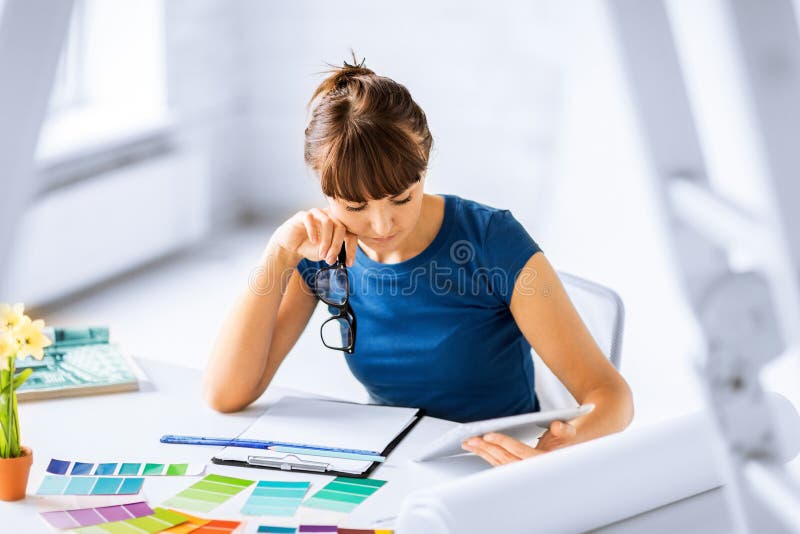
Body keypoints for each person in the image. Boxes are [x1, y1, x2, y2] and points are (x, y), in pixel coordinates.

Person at [204, 56, 633, 467]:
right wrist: (279, 252)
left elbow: (611, 396)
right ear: (323, 187)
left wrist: (563, 445)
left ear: (425, 164)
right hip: (393, 460)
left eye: (401, 197)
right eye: (354, 206)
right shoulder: (320, 254)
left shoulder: (490, 240)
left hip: (495, 462)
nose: (381, 223)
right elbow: (227, 393)